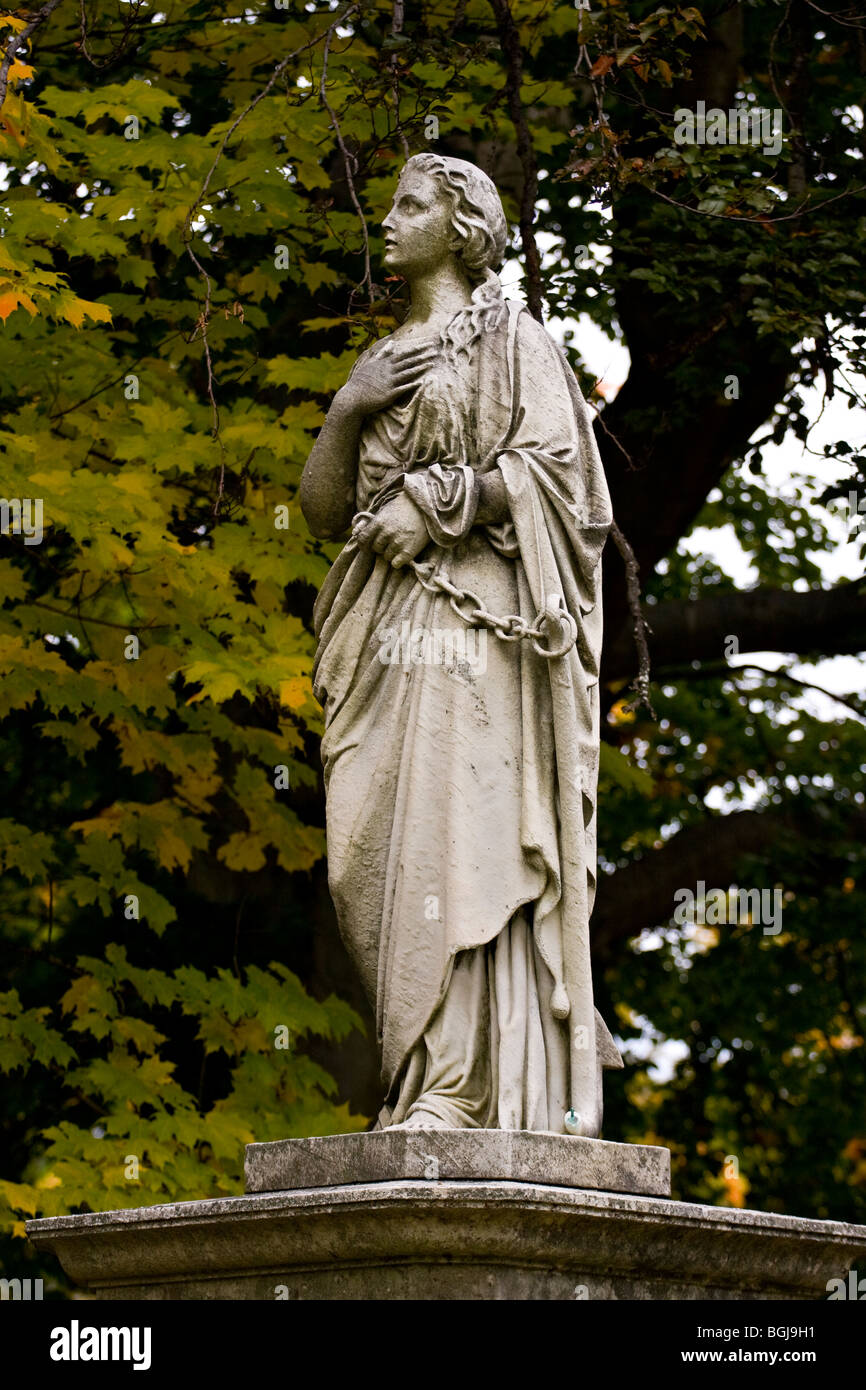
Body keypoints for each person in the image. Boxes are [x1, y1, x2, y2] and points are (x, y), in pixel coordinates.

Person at [300, 153, 620, 1136]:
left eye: (410, 205)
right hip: (383, 638)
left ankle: (460, 1084)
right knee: (370, 851)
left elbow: (569, 491)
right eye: (389, 204)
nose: (387, 221)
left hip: (477, 627)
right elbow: (320, 512)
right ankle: (415, 1071)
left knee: (460, 836)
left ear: (463, 223)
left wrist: (445, 501)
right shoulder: (381, 360)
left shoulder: (512, 340)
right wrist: (348, 406)